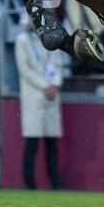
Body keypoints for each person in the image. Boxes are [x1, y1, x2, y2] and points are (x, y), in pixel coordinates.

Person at [14, 12, 66, 190]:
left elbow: (58, 65)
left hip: (51, 95)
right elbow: (24, 69)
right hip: (35, 95)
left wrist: (55, 84)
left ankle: (56, 183)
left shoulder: (50, 40)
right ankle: (29, 182)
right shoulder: (22, 40)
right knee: (33, 142)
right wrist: (46, 86)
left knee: (52, 144)